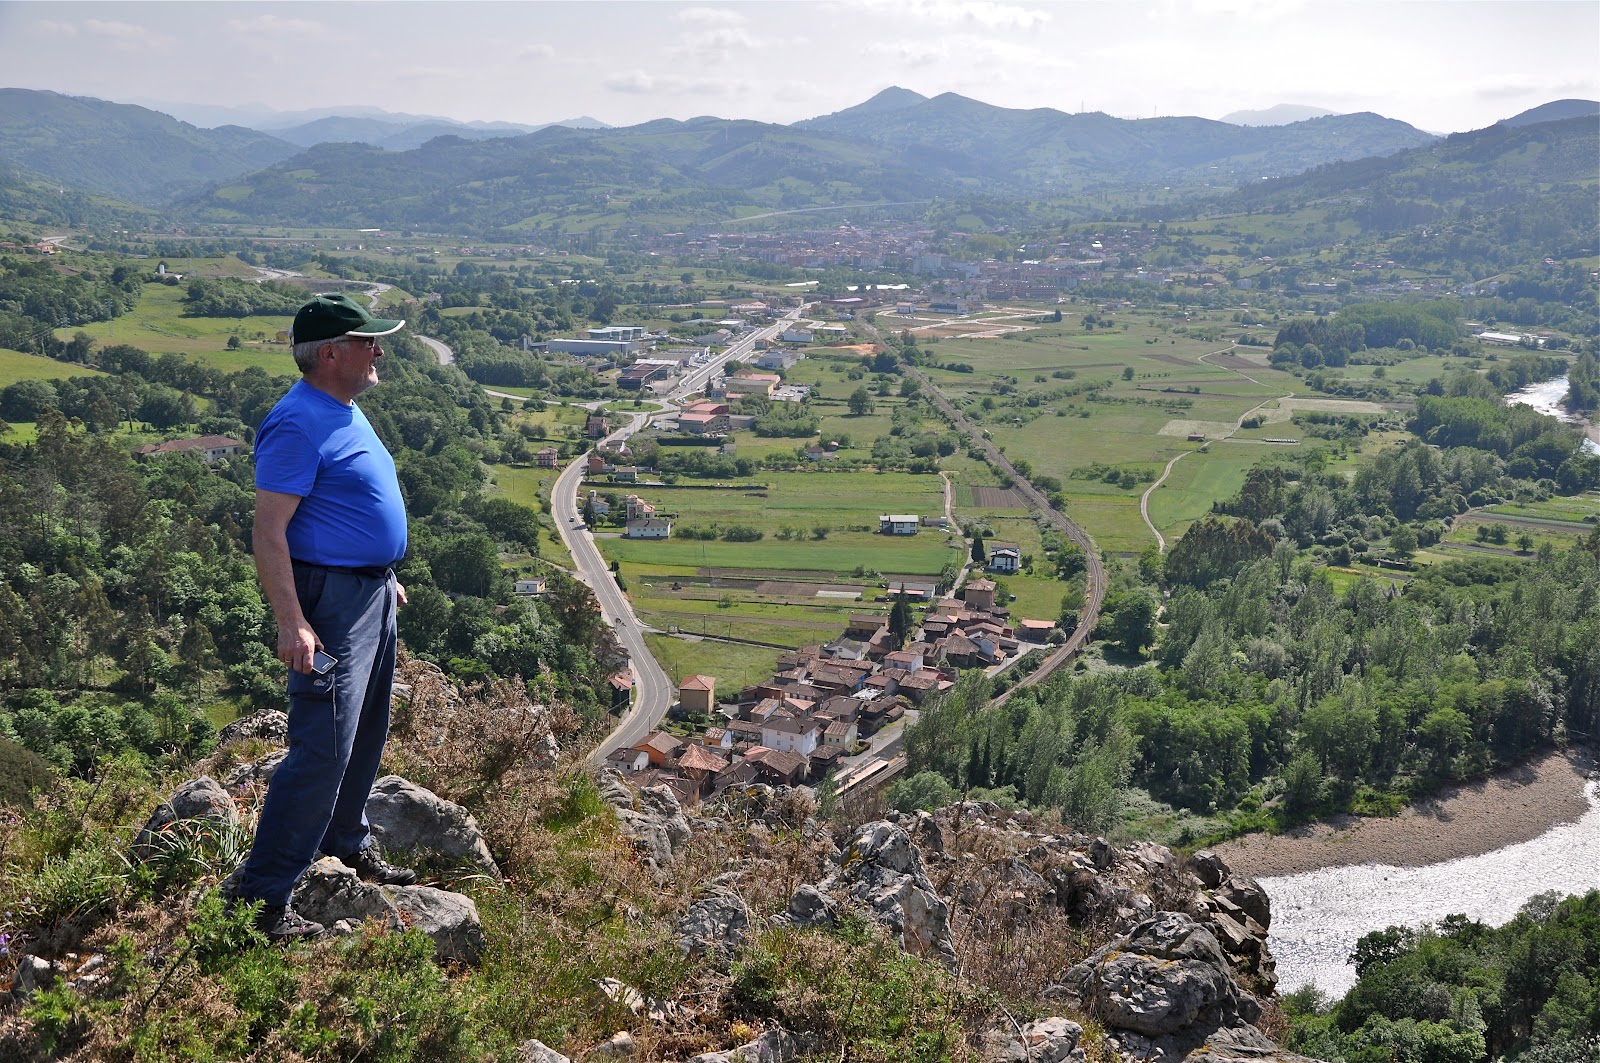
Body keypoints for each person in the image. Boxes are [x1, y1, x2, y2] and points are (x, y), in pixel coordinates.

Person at [230, 293, 418, 942]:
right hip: (329, 608)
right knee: (322, 748)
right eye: (368, 341)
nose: (380, 350)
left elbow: (346, 505)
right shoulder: (296, 422)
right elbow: (269, 530)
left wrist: (379, 576)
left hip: (368, 597)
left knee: (366, 730)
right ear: (331, 353)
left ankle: (345, 843)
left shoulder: (343, 407)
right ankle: (260, 903)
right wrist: (293, 621)